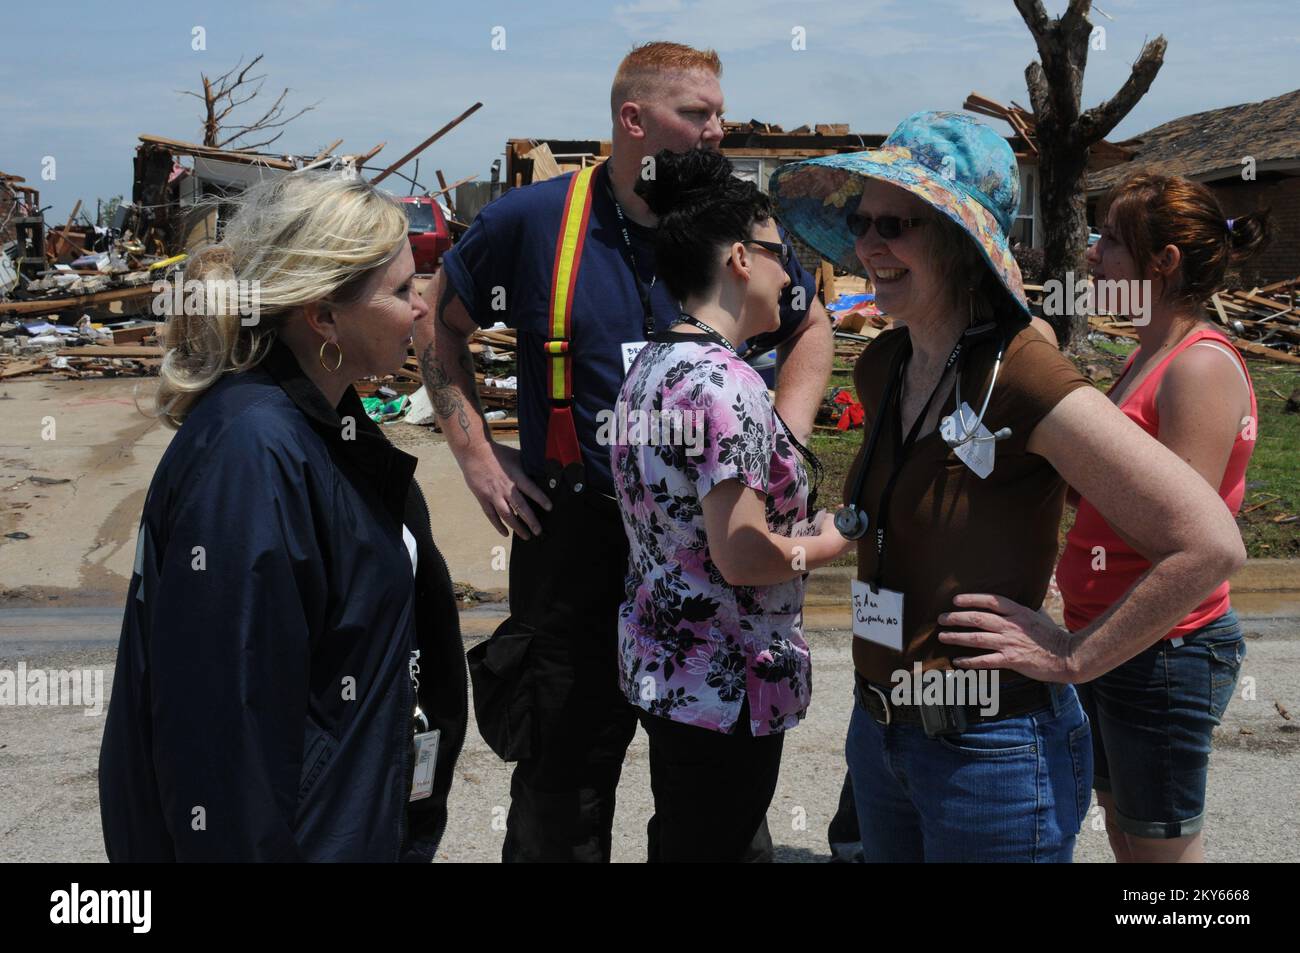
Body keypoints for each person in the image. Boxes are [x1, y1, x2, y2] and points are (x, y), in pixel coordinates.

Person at [770, 111, 1245, 862]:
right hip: (881, 734)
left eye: (895, 224)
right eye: (861, 221)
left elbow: (1209, 543)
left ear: (960, 241)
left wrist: (1074, 657)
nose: (868, 245)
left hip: (990, 754)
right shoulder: (886, 366)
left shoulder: (1022, 369)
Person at [417, 41, 832, 862]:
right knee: (559, 792)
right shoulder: (533, 221)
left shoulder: (730, 224)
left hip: (702, 551)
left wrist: (779, 441)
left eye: (720, 113)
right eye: (697, 113)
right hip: (574, 538)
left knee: (714, 813)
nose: (717, 130)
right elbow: (438, 322)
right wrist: (478, 457)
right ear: (632, 119)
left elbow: (811, 322)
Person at [98, 172, 468, 862]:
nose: (422, 307)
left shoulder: (327, 425)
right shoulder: (251, 456)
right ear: (323, 316)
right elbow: (221, 736)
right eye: (400, 291)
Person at [611, 149, 855, 862]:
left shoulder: (650, 365)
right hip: (726, 685)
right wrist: (831, 540)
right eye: (781, 255)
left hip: (669, 672)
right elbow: (742, 554)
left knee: (685, 837)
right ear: (742, 259)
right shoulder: (728, 384)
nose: (792, 277)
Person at [1057, 173, 1271, 862]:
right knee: (1127, 835)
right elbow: (1113, 496)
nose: (1092, 255)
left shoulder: (1197, 367)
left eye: (1111, 241)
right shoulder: (1147, 355)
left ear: (1163, 261)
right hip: (1119, 634)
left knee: (1162, 858)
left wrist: (1080, 458)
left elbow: (1178, 534)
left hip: (1167, 647)